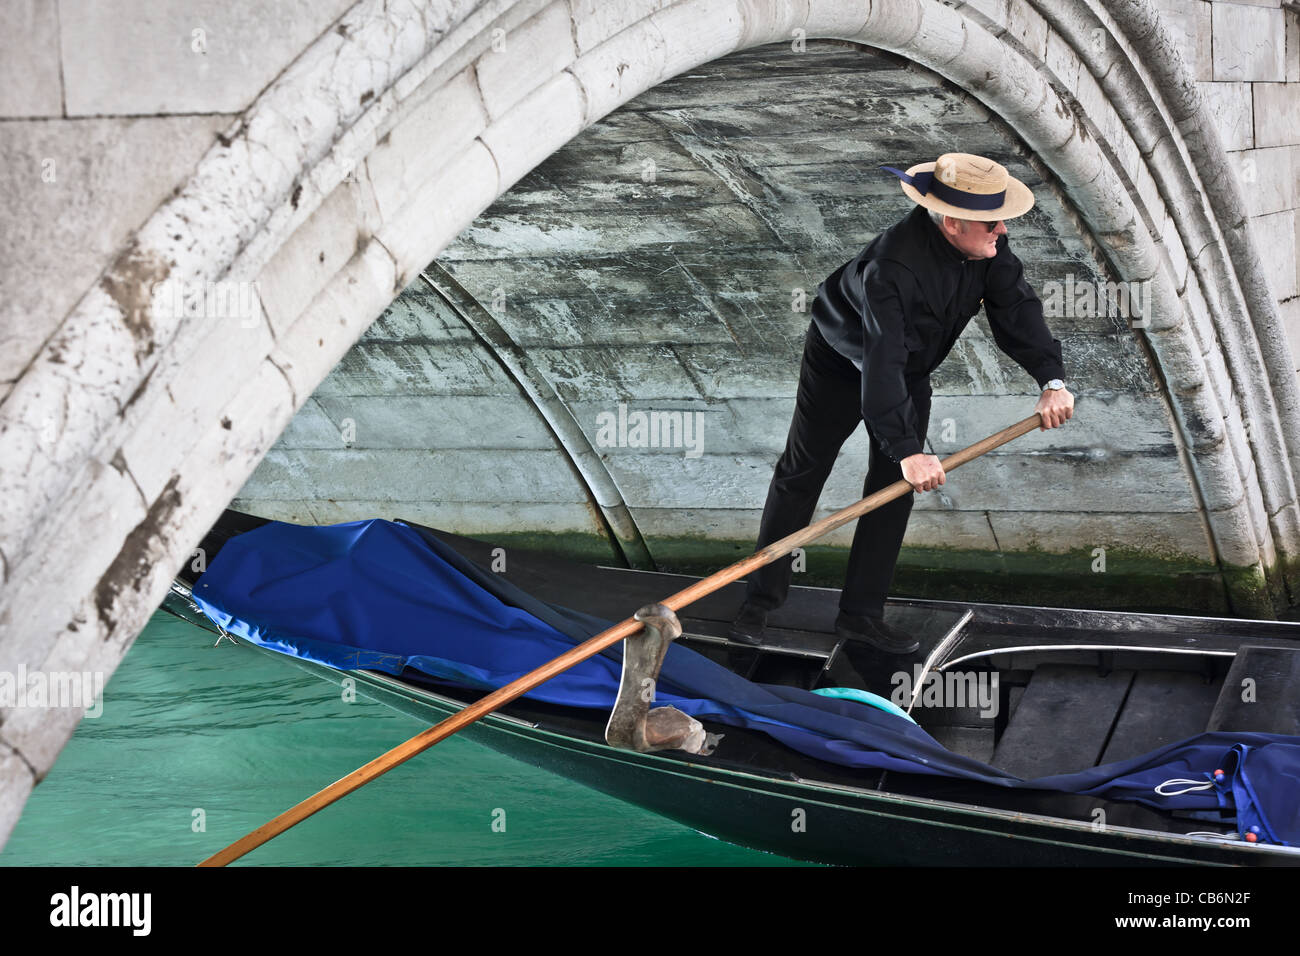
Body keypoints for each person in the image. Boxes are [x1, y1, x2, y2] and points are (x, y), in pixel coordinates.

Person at [730, 152, 1074, 654]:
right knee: (803, 471)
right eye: (991, 221)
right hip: (843, 359)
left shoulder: (988, 249)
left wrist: (1052, 378)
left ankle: (861, 616)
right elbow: (881, 361)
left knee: (893, 486)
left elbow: (1018, 311)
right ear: (952, 222)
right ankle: (758, 602)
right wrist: (908, 446)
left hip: (906, 368)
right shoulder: (890, 268)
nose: (1002, 229)